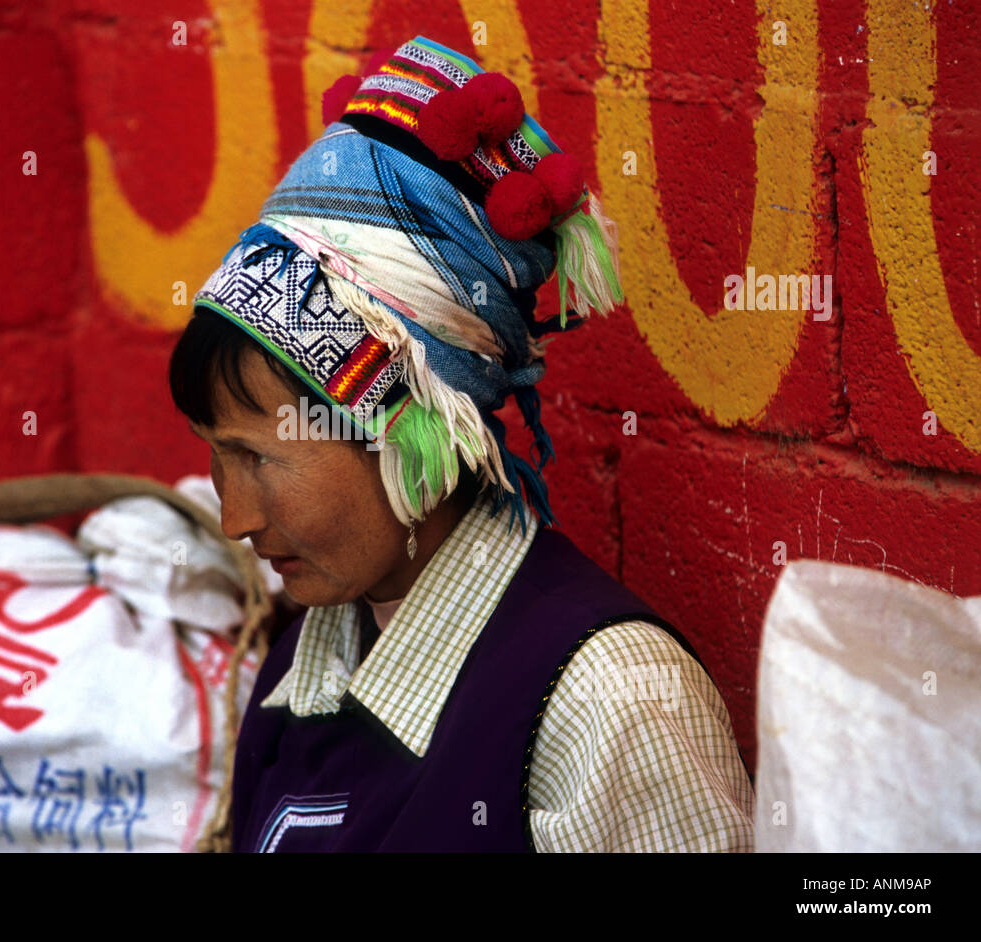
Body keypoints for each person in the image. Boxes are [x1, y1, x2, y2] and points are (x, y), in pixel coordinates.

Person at [168, 36, 754, 852]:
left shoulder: (610, 703)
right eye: (217, 452)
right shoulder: (310, 648)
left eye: (261, 458)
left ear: (415, 429)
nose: (232, 517)